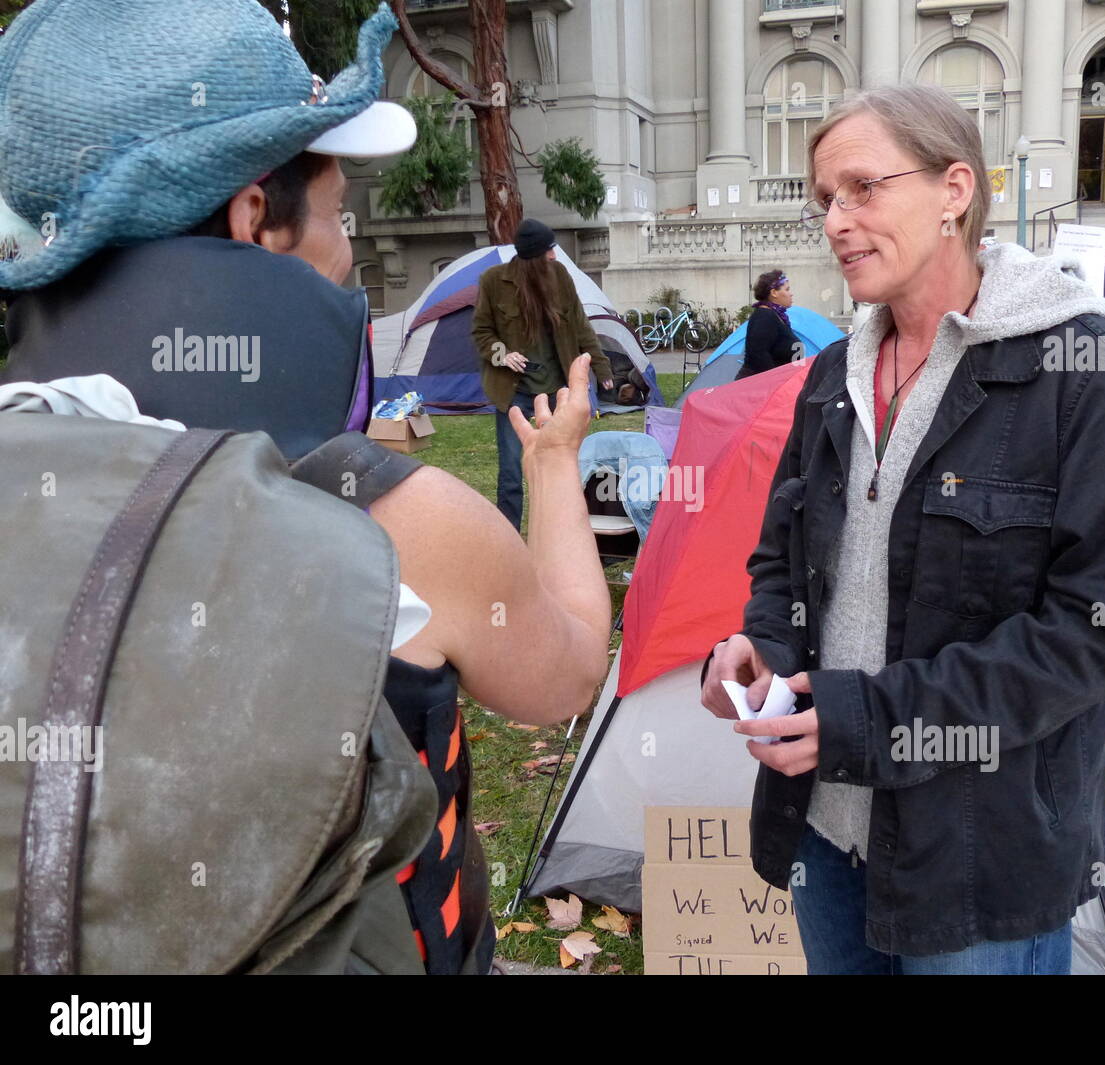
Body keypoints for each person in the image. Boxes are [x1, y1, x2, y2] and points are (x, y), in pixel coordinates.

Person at [0, 0, 612, 974]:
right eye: (336, 213)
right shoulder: (394, 520)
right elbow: (567, 673)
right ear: (254, 216)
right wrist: (548, 461)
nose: (347, 251)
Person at [700, 84, 1105, 975]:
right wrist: (761, 644)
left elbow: (1101, 627)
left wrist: (870, 720)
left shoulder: (1079, 367)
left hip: (979, 863)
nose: (836, 221)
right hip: (825, 830)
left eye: (862, 189)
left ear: (955, 189)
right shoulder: (833, 372)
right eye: (825, 201)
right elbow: (782, 554)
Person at [472, 219, 614, 530]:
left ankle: (558, 530)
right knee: (511, 471)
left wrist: (601, 367)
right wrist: (502, 354)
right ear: (532, 256)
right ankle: (508, 538)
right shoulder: (493, 281)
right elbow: (481, 332)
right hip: (514, 393)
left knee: (556, 464)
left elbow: (579, 325)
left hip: (555, 392)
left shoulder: (559, 276)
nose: (553, 256)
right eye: (548, 250)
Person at [737, 269, 799, 380]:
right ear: (774, 293)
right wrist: (776, 381)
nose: (791, 294)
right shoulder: (764, 316)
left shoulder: (775, 315)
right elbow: (758, 355)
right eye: (787, 289)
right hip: (760, 389)